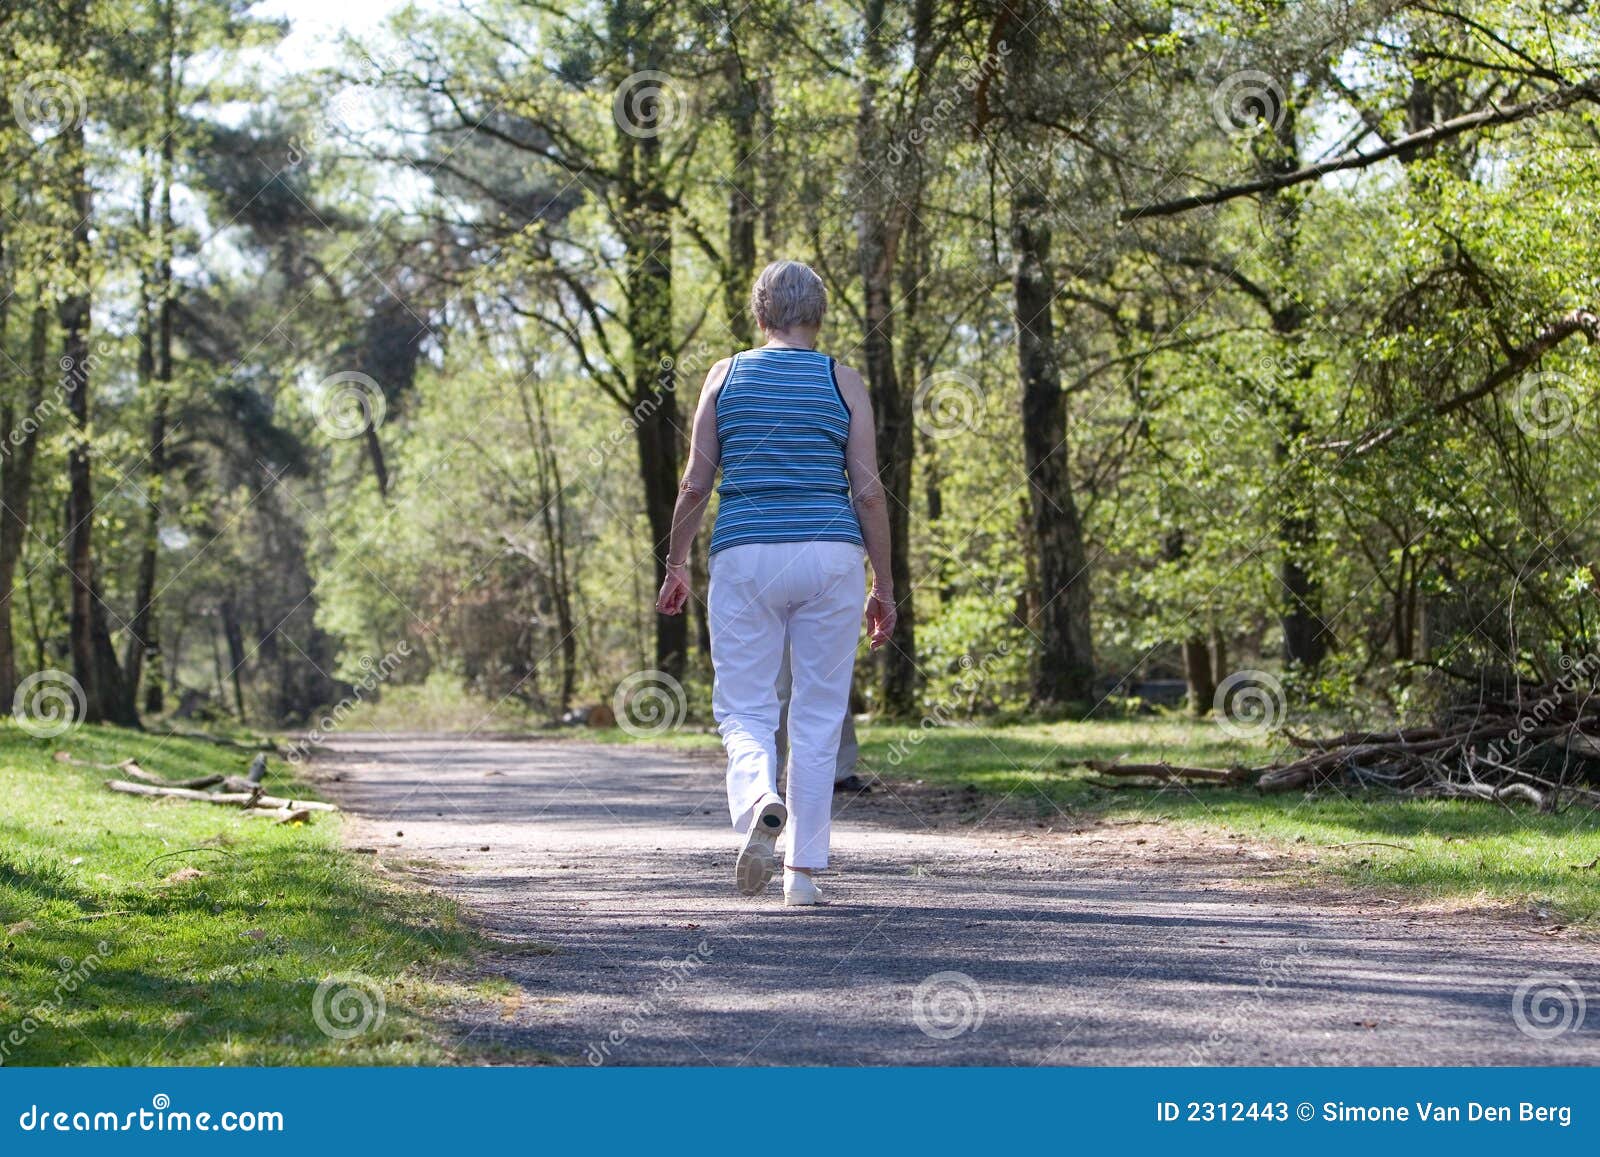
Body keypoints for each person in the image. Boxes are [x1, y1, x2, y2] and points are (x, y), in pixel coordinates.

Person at [655, 260, 895, 906]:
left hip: (745, 554)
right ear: (817, 315)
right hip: (831, 553)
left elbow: (695, 484)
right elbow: (868, 493)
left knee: (746, 706)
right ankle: (802, 875)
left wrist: (676, 562)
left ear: (760, 315)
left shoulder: (725, 376)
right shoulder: (843, 381)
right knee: (818, 713)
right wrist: (886, 586)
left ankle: (761, 796)